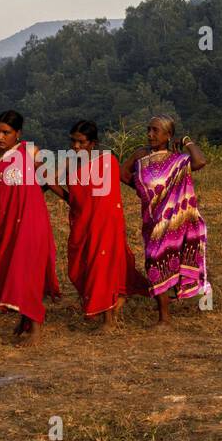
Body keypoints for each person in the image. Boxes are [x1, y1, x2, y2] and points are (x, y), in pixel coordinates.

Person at [54, 120, 148, 327]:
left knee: (102, 265)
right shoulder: (68, 164)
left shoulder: (107, 162)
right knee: (78, 267)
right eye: (73, 141)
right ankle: (108, 301)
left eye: (81, 142)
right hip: (82, 223)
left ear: (93, 143)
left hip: (105, 225)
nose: (76, 146)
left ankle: (108, 319)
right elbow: (63, 189)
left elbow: (109, 199)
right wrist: (63, 193)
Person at [0, 110, 60, 347]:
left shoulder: (31, 152)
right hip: (4, 222)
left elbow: (45, 179)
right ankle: (24, 317)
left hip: (31, 221)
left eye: (6, 132)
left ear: (18, 134)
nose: (0, 136)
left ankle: (35, 327)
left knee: (28, 272)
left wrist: (29, 200)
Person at [122, 115, 209, 326]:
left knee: (186, 260)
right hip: (154, 223)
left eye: (155, 130)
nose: (150, 135)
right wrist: (143, 190)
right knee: (155, 262)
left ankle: (204, 304)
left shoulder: (178, 160)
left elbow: (200, 161)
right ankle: (164, 317)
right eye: (148, 130)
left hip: (179, 222)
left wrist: (187, 140)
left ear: (168, 135)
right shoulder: (141, 157)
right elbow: (122, 173)